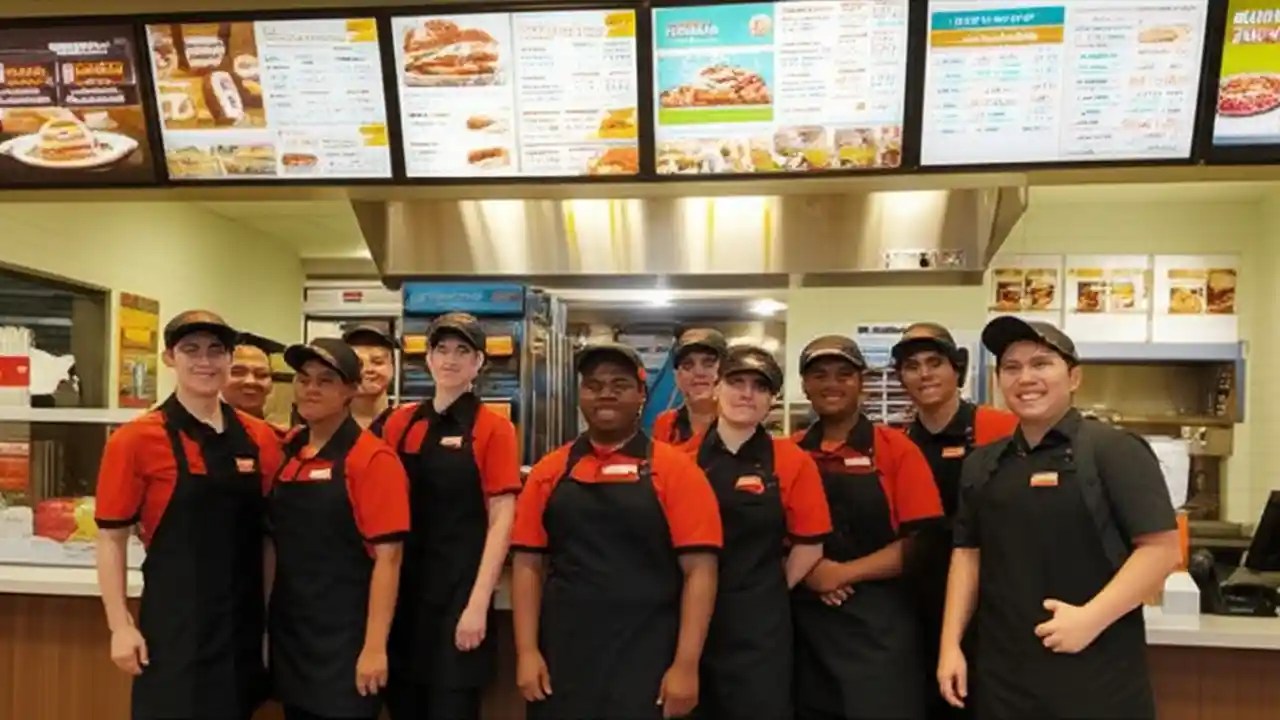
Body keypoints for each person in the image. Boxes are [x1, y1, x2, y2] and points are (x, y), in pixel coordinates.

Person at [938, 318, 1181, 720]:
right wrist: (950, 645)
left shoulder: (1114, 451)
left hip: (1094, 672)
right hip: (1003, 678)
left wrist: (1089, 619)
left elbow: (1161, 550)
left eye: (1041, 364)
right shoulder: (983, 463)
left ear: (1074, 377)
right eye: (1011, 368)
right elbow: (967, 554)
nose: (1025, 377)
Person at [511, 342, 722, 720]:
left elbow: (700, 571)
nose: (605, 393)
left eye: (619, 384)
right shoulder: (550, 470)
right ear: (580, 395)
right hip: (564, 654)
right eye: (594, 385)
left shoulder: (677, 472)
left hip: (648, 653)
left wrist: (686, 666)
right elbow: (527, 564)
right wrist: (527, 652)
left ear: (641, 394)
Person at [94, 310, 284, 720]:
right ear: (169, 358)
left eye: (216, 350)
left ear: (229, 359)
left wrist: (268, 622)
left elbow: (268, 538)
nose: (205, 361)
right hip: (174, 627)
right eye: (191, 349)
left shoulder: (260, 438)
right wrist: (120, 625)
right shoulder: (134, 440)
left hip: (241, 628)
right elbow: (110, 538)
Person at [791, 334, 944, 720]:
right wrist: (810, 572)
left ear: (862, 383)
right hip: (805, 626)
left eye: (844, 374)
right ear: (805, 386)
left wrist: (840, 573)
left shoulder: (897, 449)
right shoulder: (787, 452)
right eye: (820, 375)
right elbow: (770, 532)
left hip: (881, 627)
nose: (832, 384)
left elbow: (922, 541)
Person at [378, 313, 522, 720]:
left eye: (463, 351)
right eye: (441, 349)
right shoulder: (399, 423)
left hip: (459, 596)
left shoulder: (494, 428)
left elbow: (501, 518)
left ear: (479, 363)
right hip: (404, 597)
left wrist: (478, 604)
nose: (450, 359)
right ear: (427, 359)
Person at [268, 338, 410, 720]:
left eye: (326, 380)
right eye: (303, 378)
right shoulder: (288, 450)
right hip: (293, 632)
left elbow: (389, 558)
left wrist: (375, 647)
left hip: (346, 639)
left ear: (350, 389)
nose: (311, 388)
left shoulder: (373, 459)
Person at [690, 345, 831, 720]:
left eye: (759, 386)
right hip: (686, 619)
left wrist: (764, 590)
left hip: (759, 628)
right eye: (736, 382)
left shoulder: (793, 462)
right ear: (716, 388)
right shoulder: (679, 458)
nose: (746, 394)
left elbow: (810, 544)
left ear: (772, 400)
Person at [891, 322, 1017, 720]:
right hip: (916, 598)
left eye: (934, 363)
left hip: (991, 599)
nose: (924, 374)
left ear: (956, 370)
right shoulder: (896, 441)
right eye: (912, 366)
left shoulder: (999, 429)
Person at [653, 328, 728, 448]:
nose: (698, 372)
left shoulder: (741, 421)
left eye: (708, 363)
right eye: (688, 364)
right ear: (677, 376)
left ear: (725, 370)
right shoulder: (666, 423)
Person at [224, 332, 288, 437]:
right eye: (237, 372)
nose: (251, 381)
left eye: (262, 374)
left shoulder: (283, 441)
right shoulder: (197, 436)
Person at [343, 325, 398, 434]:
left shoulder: (407, 425)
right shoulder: (329, 426)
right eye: (358, 364)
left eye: (377, 362)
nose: (368, 369)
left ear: (393, 367)